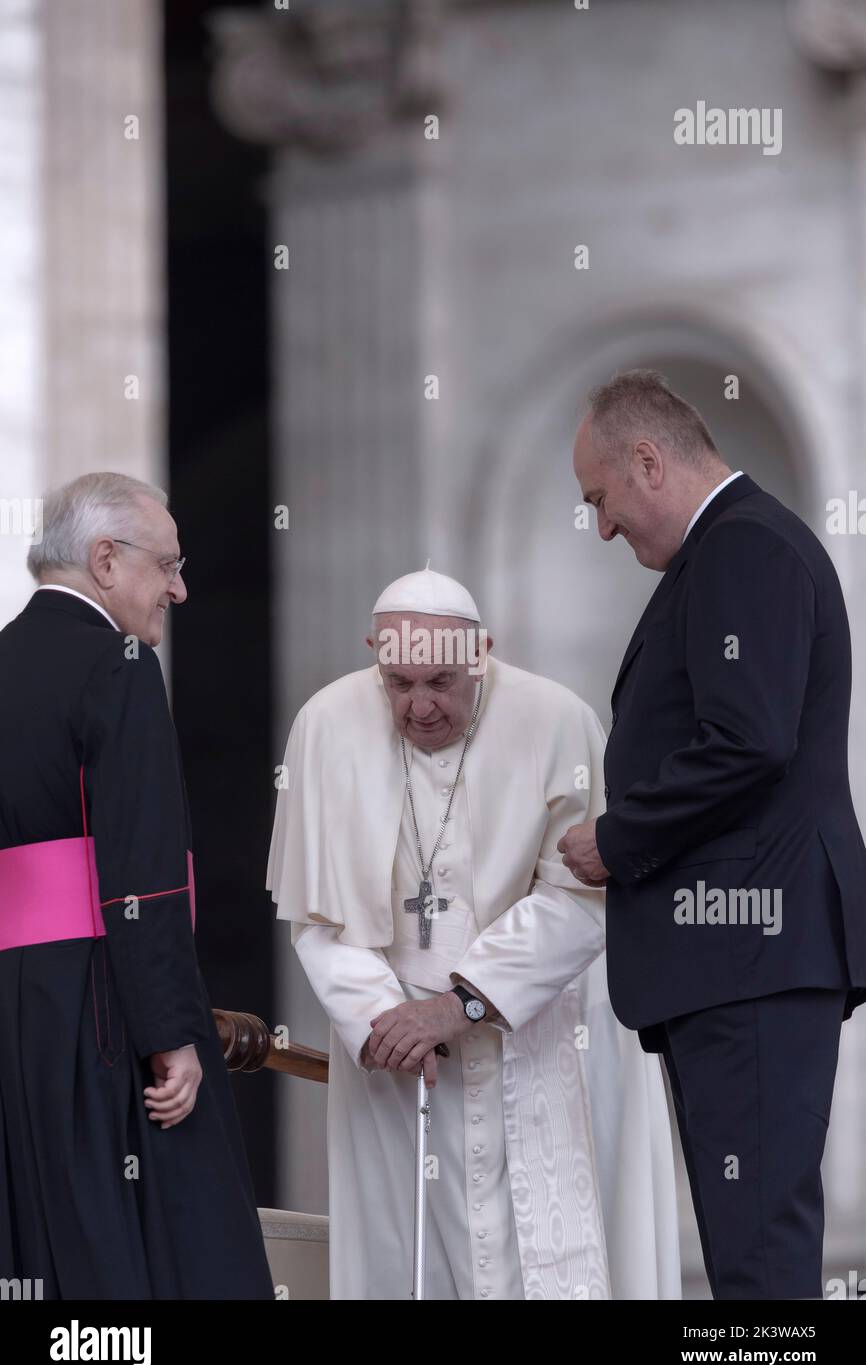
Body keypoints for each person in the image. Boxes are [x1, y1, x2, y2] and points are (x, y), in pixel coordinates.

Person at [267, 564, 680, 1300]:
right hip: (399, 1057)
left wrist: (463, 1003)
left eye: (441, 684)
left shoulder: (557, 720)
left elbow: (581, 897)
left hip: (542, 1027)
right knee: (412, 1248)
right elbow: (317, 912)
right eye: (399, 683)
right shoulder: (324, 727)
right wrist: (383, 1021)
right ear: (374, 655)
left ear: (482, 653)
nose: (419, 707)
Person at [562, 368, 866, 1300]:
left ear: (648, 461)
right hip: (740, 953)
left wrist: (618, 840)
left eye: (601, 500)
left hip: (752, 948)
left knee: (758, 1259)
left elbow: (749, 740)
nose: (604, 528)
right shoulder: (737, 547)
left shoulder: (742, 549)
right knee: (747, 1253)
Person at [0, 471, 273, 1299]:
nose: (180, 589)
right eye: (168, 565)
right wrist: (171, 1035)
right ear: (106, 560)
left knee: (43, 1233)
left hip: (18, 1005)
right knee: (156, 1243)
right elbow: (142, 874)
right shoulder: (119, 665)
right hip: (105, 1001)